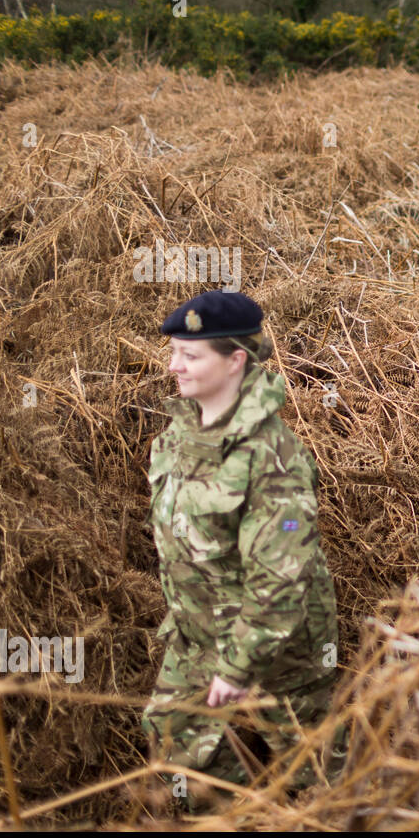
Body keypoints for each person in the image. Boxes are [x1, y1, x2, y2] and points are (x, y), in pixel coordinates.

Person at [143, 290, 342, 808]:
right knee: (178, 747)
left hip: (281, 649)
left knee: (313, 774)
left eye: (191, 355)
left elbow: (281, 576)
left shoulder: (272, 457)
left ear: (235, 361)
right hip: (199, 637)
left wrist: (239, 667)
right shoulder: (174, 439)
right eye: (175, 352)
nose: (174, 366)